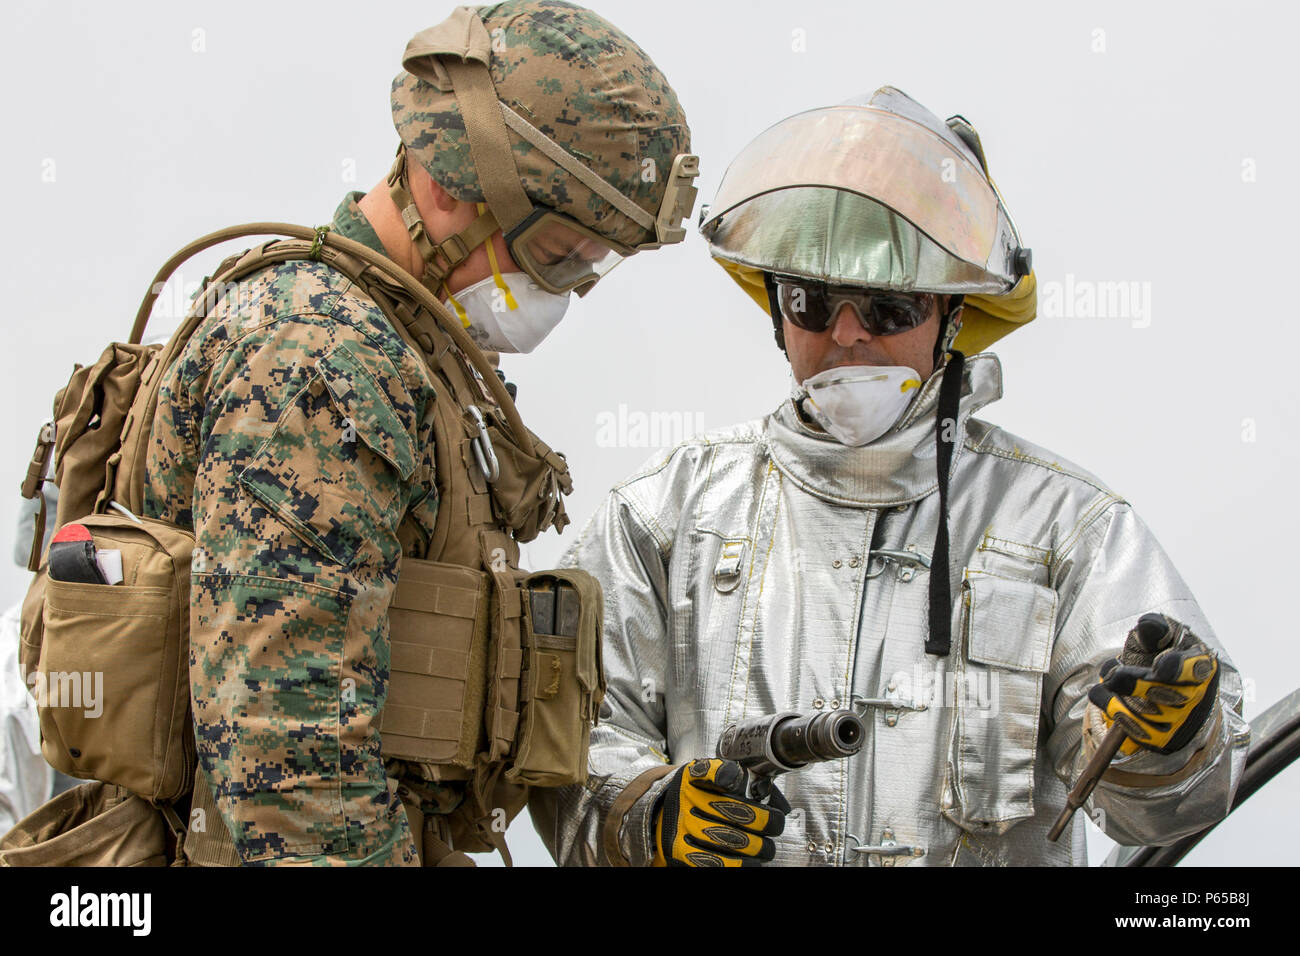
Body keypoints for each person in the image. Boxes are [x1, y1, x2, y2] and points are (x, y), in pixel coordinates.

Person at [529, 88, 1248, 867]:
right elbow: (565, 754)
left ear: (951, 317)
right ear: (776, 310)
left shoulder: (1064, 531)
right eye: (812, 301)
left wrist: (1170, 742)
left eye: (886, 305)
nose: (845, 333)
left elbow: (1166, 809)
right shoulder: (662, 518)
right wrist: (648, 819)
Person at [142, 0, 696, 866]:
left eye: (595, 262)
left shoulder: (412, 356)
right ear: (446, 182)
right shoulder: (318, 359)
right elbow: (290, 772)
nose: (572, 287)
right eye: (557, 250)